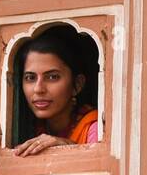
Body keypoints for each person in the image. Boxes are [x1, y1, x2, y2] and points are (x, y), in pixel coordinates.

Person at [11, 27, 99, 156]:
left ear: (77, 85)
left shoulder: (95, 130)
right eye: (30, 78)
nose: (38, 89)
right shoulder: (26, 130)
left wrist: (68, 146)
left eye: (52, 77)